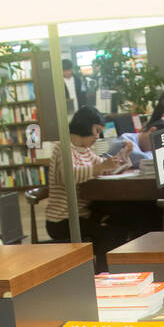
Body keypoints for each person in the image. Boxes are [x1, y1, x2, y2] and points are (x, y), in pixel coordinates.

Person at [44, 106, 132, 253]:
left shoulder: (86, 150)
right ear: (85, 126)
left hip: (83, 215)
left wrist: (123, 157)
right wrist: (101, 167)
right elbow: (70, 176)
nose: (98, 136)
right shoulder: (62, 148)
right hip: (63, 220)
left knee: (122, 220)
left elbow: (105, 168)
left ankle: (105, 268)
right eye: (97, 130)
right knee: (112, 233)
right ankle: (102, 272)